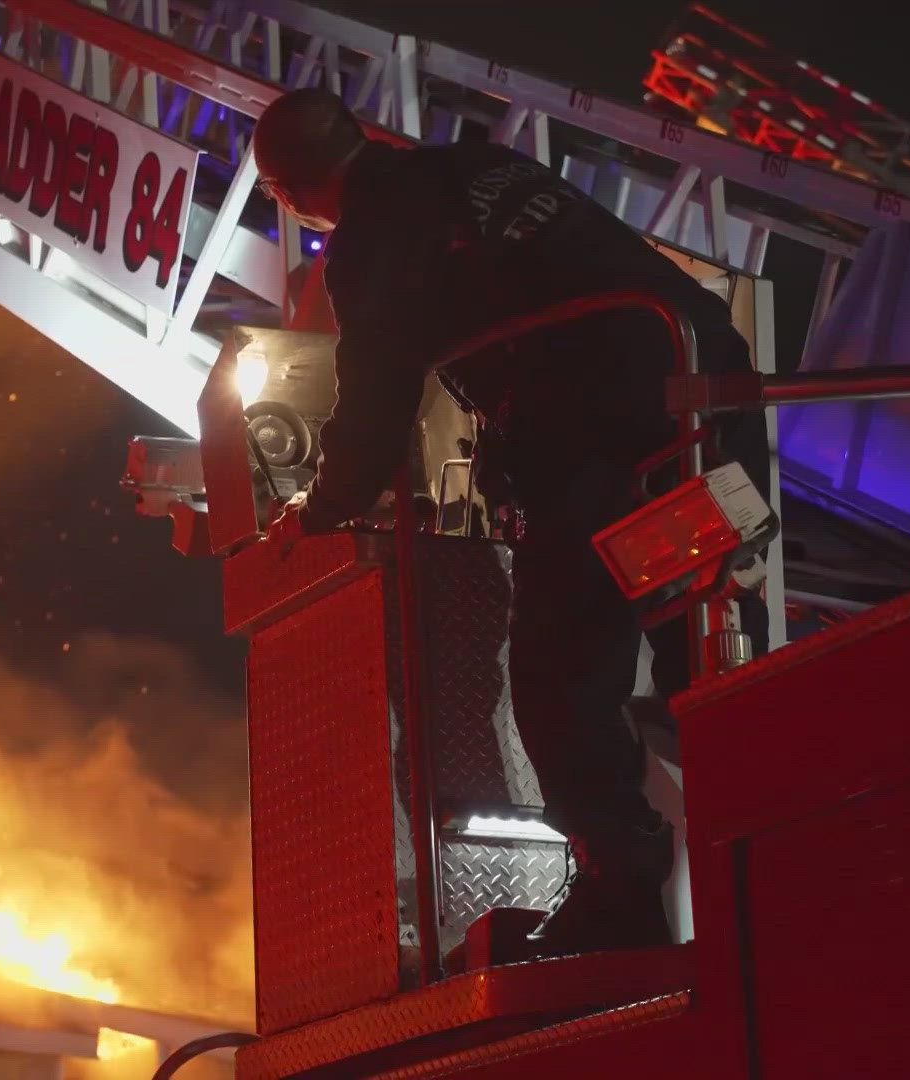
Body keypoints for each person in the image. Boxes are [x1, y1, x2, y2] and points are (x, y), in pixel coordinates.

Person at [251, 87, 769, 958]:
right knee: (708, 633)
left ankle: (622, 894)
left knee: (561, 669)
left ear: (291, 193)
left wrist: (322, 509)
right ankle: (769, 831)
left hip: (594, 425)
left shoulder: (369, 239)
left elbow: (376, 401)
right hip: (704, 382)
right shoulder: (477, 164)